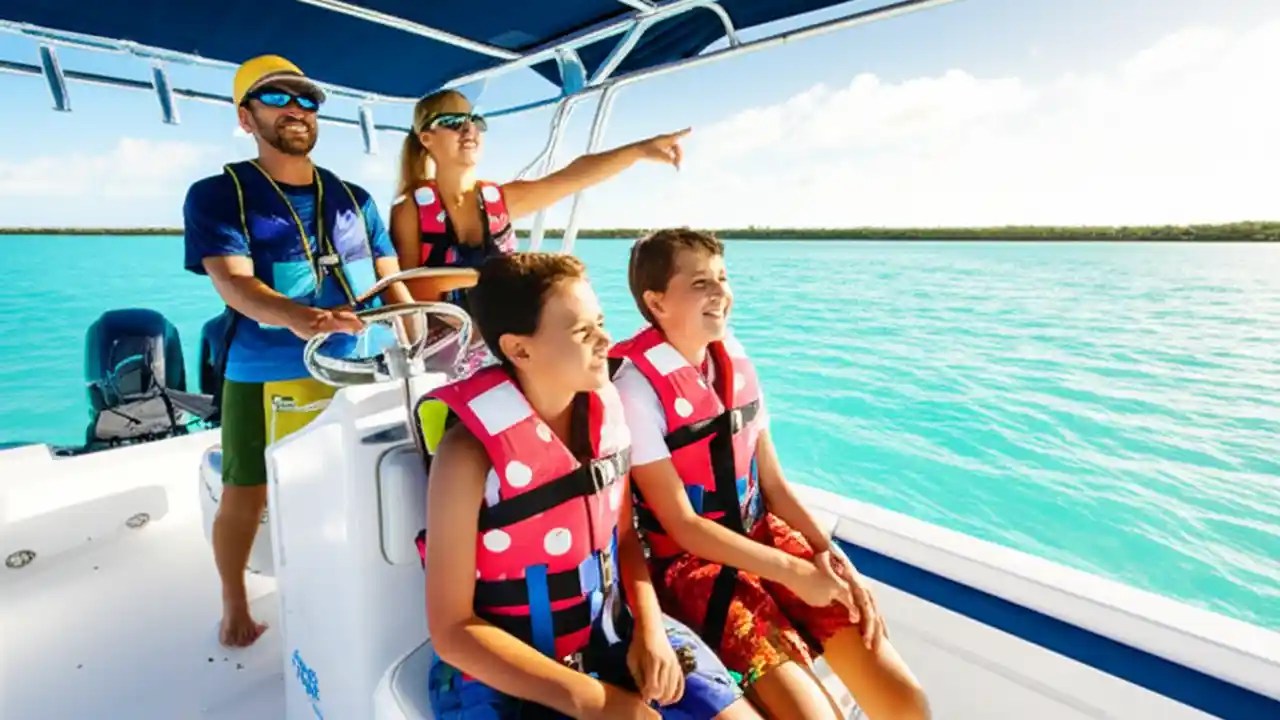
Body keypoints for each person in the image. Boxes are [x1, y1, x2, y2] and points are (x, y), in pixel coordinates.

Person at [415, 253, 762, 720]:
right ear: (519, 350)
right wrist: (593, 701)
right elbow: (453, 629)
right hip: (504, 671)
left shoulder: (608, 415)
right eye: (583, 332)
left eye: (600, 323)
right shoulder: (466, 456)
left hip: (615, 629)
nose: (605, 340)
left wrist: (650, 631)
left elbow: (623, 541)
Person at [610, 229, 931, 720]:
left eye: (722, 277)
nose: (720, 292)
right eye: (700, 283)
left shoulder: (733, 363)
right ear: (656, 302)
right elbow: (683, 526)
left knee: (907, 702)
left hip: (764, 535)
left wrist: (832, 557)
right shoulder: (636, 390)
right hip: (693, 567)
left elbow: (774, 487)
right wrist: (795, 574)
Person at [183, 54, 411, 648]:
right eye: (277, 98)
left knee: (353, 481)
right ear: (245, 117)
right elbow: (235, 284)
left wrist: (418, 338)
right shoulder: (218, 196)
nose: (296, 109)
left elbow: (392, 283)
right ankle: (235, 600)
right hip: (263, 371)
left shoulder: (355, 199)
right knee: (247, 490)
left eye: (306, 100)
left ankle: (351, 589)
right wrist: (300, 318)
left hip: (358, 370)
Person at [389, 88, 690, 307]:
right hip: (444, 349)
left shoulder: (499, 202)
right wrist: (504, 274)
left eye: (474, 120)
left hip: (505, 340)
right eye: (453, 122)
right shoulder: (410, 210)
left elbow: (574, 175)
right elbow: (407, 292)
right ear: (426, 138)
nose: (469, 129)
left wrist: (638, 151)